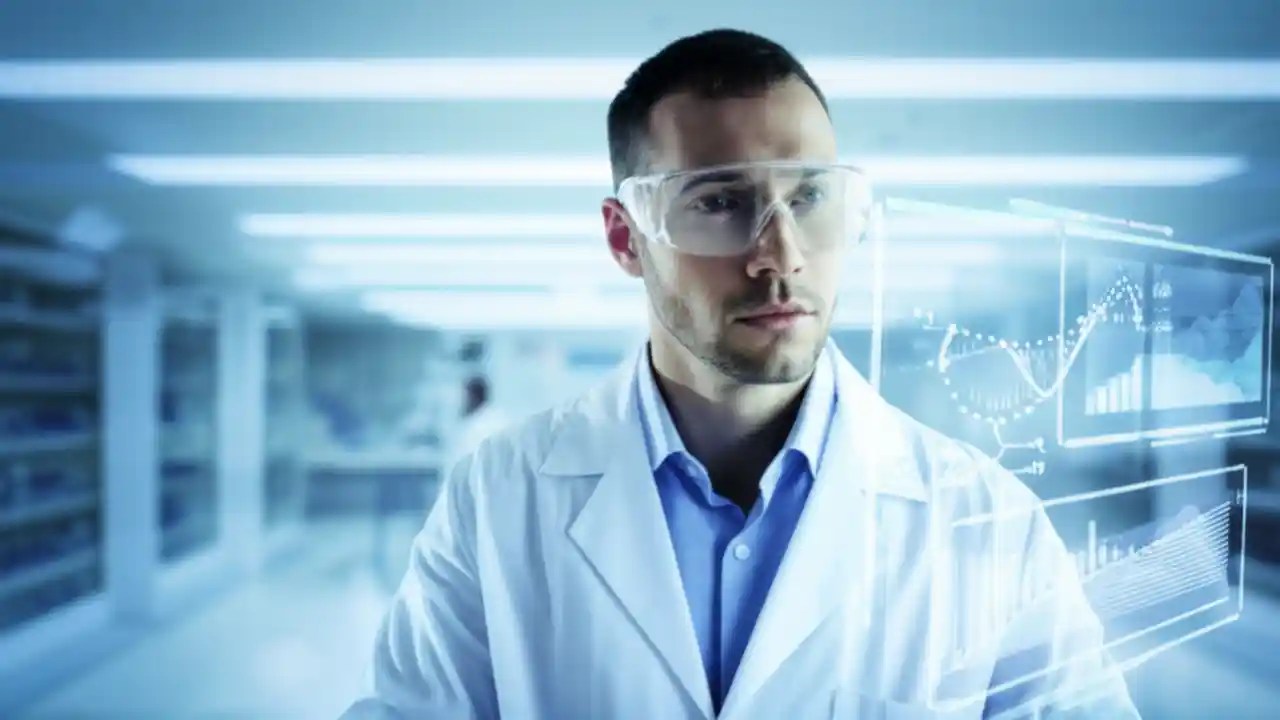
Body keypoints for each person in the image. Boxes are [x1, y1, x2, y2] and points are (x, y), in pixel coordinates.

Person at [343, 29, 1139, 720]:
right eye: (721, 202)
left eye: (811, 197)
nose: (781, 254)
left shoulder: (987, 521)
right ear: (625, 239)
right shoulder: (498, 498)